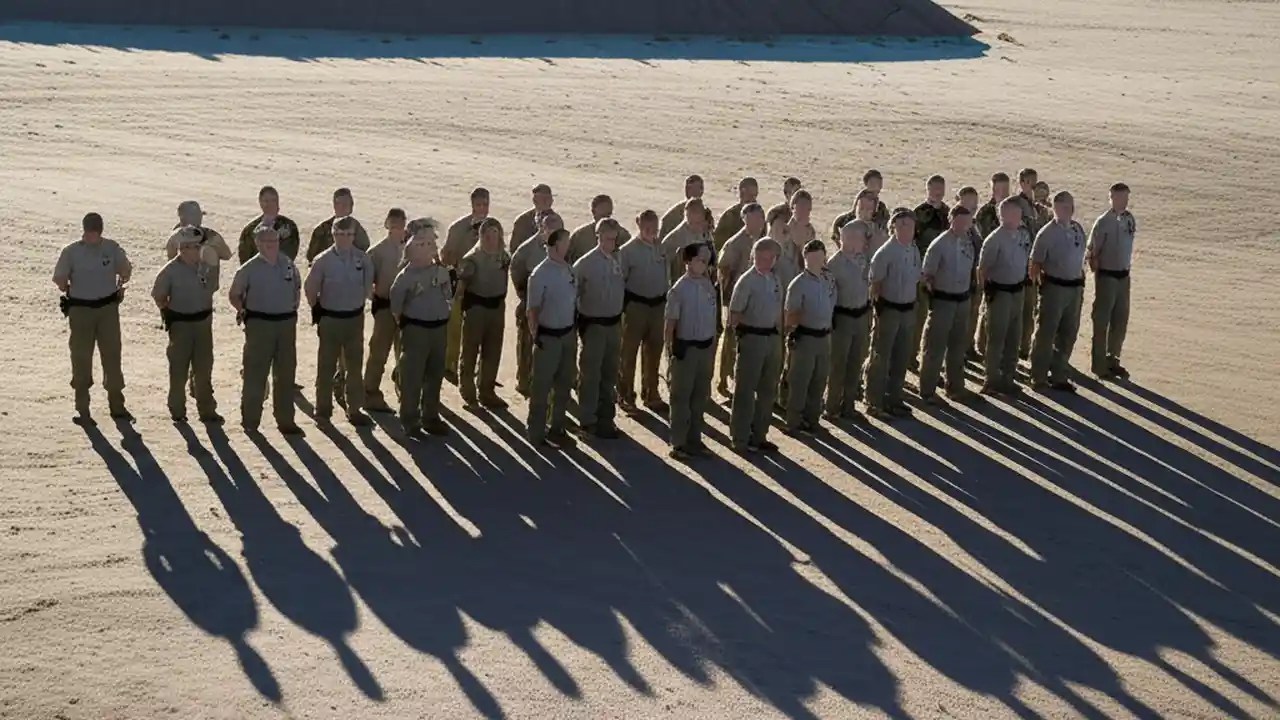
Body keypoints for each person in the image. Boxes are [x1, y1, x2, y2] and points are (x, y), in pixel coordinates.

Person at [53, 212, 132, 424]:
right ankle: (82, 407)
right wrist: (68, 289)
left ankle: (117, 405)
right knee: (80, 357)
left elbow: (125, 271)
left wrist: (120, 286)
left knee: (112, 356)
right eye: (90, 232)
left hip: (106, 309)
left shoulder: (111, 249)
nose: (92, 236)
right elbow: (59, 278)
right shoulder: (71, 252)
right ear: (85, 230)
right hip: (81, 310)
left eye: (95, 232)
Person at [229, 224, 303, 435]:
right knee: (255, 374)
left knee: (286, 374)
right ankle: (250, 421)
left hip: (286, 324)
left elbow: (297, 286)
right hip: (260, 325)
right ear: (258, 244)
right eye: (267, 242)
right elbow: (234, 294)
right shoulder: (248, 269)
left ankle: (286, 420)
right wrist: (242, 310)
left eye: (275, 241)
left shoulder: (287, 264)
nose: (272, 246)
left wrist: (293, 305)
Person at [304, 216, 375, 425]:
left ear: (354, 235)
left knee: (354, 366)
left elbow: (369, 289)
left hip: (354, 318)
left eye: (349, 234)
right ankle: (323, 409)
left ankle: (354, 409)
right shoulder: (322, 261)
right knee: (326, 366)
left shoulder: (363, 259)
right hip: (330, 319)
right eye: (340, 234)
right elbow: (310, 289)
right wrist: (316, 308)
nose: (345, 238)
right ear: (333, 235)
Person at [152, 226, 221, 423]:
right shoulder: (170, 271)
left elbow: (213, 287)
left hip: (203, 325)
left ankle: (207, 410)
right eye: (189, 246)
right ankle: (177, 410)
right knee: (178, 370)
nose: (193, 250)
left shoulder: (207, 266)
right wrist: (170, 313)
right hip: (181, 326)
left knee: (204, 369)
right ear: (181, 248)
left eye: (196, 246)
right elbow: (159, 296)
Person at [390, 220, 452, 437]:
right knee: (412, 377)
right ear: (411, 248)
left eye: (430, 244)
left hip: (439, 329)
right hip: (416, 329)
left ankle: (431, 416)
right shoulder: (405, 277)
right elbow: (396, 306)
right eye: (422, 244)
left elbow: (448, 295)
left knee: (435, 375)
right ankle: (409, 419)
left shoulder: (440, 271)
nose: (428, 248)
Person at [165, 200, 231, 398]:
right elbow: (170, 259)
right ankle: (181, 389)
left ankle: (200, 384)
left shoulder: (209, 234)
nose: (198, 218)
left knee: (204, 349)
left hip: (204, 295)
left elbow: (227, 254)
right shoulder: (177, 237)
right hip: (181, 298)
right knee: (181, 349)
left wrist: (211, 247)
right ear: (182, 217)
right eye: (193, 215)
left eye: (199, 215)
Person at [727, 238, 784, 453]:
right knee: (745, 389)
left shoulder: (775, 279)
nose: (765, 262)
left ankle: (759, 434)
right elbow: (734, 314)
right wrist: (743, 337)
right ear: (754, 256)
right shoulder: (746, 281)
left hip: (771, 338)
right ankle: (740, 437)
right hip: (752, 337)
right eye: (761, 257)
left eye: (770, 258)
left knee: (768, 390)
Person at [919, 206, 979, 404]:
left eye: (966, 221)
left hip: (962, 300)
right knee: (934, 348)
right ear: (951, 220)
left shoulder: (969, 241)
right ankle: (927, 391)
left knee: (957, 347)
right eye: (959, 221)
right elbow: (927, 275)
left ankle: (955, 387)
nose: (963, 225)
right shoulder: (940, 244)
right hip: (943, 301)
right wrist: (933, 301)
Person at [864, 210, 921, 420]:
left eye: (910, 225)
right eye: (902, 224)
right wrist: (879, 311)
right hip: (888, 310)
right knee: (881, 356)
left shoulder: (913, 250)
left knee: (901, 356)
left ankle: (894, 398)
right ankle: (874, 400)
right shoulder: (885, 253)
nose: (907, 228)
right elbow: (875, 284)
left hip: (907, 309)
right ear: (893, 227)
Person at [665, 243, 719, 461]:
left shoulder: (708, 286)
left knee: (699, 397)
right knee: (681, 398)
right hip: (685, 350)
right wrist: (670, 355)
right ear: (688, 261)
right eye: (699, 259)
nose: (704, 264)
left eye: (706, 260)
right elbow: (670, 326)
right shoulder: (679, 290)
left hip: (704, 348)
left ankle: (695, 438)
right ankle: (678, 443)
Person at [1029, 191, 1087, 392]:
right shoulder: (1046, 233)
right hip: (1054, 287)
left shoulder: (1077, 228)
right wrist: (1040, 289)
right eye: (1063, 207)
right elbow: (1035, 264)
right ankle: (1038, 376)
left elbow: (1082, 257)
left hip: (1074, 288)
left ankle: (1059, 374)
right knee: (1046, 332)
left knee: (1068, 333)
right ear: (1055, 209)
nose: (1068, 210)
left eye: (1070, 206)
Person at [573, 218, 626, 438]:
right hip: (593, 324)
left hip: (614, 323)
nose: (610, 243)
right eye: (606, 239)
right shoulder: (584, 264)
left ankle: (607, 418)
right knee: (590, 374)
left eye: (614, 239)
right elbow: (574, 294)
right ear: (598, 237)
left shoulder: (620, 259)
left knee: (609, 373)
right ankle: (587, 419)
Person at [525, 228, 578, 448]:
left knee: (563, 385)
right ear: (556, 245)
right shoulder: (540, 274)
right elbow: (532, 309)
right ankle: (536, 432)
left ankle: (557, 427)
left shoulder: (567, 268)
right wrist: (536, 335)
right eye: (566, 242)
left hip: (567, 334)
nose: (569, 245)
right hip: (548, 336)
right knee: (541, 387)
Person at [978, 198, 1031, 396]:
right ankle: (992, 380)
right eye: (1015, 214)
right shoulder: (994, 240)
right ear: (1004, 215)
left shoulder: (1022, 235)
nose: (1019, 217)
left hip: (1017, 291)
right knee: (996, 338)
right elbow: (982, 270)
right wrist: (987, 293)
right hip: (999, 293)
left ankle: (1009, 378)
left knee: (1013, 337)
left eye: (1019, 214)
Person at [618, 210, 669, 415]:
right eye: (647, 228)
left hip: (658, 306)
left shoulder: (662, 247)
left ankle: (651, 393)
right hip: (635, 306)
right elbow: (620, 280)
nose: (651, 232)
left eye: (654, 228)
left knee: (654, 351)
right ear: (638, 225)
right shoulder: (627, 251)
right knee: (628, 353)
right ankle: (626, 396)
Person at [457, 217, 510, 409]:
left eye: (495, 234)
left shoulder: (503, 257)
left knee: (493, 351)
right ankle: (468, 389)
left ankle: (487, 390)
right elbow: (461, 288)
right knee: (470, 351)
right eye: (487, 235)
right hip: (476, 308)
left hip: (496, 307)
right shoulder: (471, 259)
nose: (490, 238)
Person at [783, 240, 835, 435]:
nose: (815, 261)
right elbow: (791, 314)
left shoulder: (829, 279)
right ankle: (794, 422)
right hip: (805, 337)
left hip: (824, 336)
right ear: (804, 259)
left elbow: (832, 301)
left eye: (819, 256)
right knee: (800, 381)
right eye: (811, 257)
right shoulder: (798, 284)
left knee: (819, 380)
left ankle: (812, 419)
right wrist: (793, 334)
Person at [715, 202, 765, 399]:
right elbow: (724, 271)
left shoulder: (763, 240)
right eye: (754, 219)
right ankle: (723, 380)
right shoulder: (735, 243)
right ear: (745, 220)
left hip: (758, 300)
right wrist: (728, 301)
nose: (758, 223)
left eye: (760, 218)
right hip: (738, 299)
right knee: (731, 341)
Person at [1087, 182, 1137, 380]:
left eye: (1126, 197)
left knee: (1120, 320)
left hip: (1123, 276)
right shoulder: (1103, 221)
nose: (1123, 201)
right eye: (1119, 197)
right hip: (1106, 276)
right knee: (1102, 320)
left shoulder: (1129, 219)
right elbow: (1093, 252)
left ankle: (1113, 359)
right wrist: (1097, 275)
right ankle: (1099, 364)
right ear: (1111, 198)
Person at [510, 210, 562, 397]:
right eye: (551, 228)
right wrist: (526, 295)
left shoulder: (564, 247)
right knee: (527, 345)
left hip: (557, 306)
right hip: (533, 304)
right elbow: (516, 271)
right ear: (542, 229)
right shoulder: (527, 250)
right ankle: (524, 382)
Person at [362, 208, 409, 412]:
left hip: (409, 309)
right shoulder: (377, 251)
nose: (397, 227)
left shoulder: (412, 247)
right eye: (394, 223)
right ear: (387, 224)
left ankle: (406, 391)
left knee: (407, 354)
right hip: (385, 307)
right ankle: (370, 393)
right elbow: (366, 281)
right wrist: (373, 295)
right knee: (379, 352)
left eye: (401, 223)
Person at [825, 222, 873, 419]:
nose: (864, 243)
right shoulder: (833, 265)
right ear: (847, 239)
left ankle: (849, 405)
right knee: (838, 364)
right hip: (842, 318)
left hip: (860, 316)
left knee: (855, 362)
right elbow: (827, 295)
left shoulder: (863, 260)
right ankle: (832, 406)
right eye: (861, 238)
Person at [443, 187, 490, 383]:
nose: (482, 208)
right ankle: (450, 364)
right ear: (472, 205)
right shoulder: (458, 228)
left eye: (485, 204)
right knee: (455, 327)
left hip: (483, 284)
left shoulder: (492, 227)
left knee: (478, 329)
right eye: (478, 204)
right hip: (460, 282)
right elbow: (446, 256)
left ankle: (473, 367)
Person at [909, 175, 950, 371]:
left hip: (943, 272)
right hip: (923, 271)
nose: (938, 191)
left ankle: (932, 358)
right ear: (928, 189)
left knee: (938, 318)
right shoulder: (919, 213)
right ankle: (911, 355)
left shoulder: (947, 213)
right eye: (934, 188)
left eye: (941, 188)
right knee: (920, 317)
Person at [973, 172, 1011, 355]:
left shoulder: (1013, 209)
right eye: (999, 189)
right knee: (987, 308)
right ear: (993, 189)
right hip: (990, 266)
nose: (1003, 192)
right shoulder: (985, 213)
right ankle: (982, 346)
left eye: (1006, 189)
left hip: (1009, 268)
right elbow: (984, 239)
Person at [1012, 168, 1044, 359]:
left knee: (1031, 308)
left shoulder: (1038, 206)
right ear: (1022, 183)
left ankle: (1025, 346)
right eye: (1031, 182)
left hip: (1033, 264)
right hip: (1020, 263)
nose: (1034, 185)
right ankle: (1017, 347)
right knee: (1019, 309)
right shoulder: (1017, 205)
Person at [954, 186, 985, 360]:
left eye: (974, 206)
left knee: (973, 315)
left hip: (974, 279)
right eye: (967, 205)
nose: (972, 209)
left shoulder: (975, 225)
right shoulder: (954, 227)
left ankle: (968, 347)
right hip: (959, 282)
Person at [237, 186, 301, 263]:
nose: (270, 204)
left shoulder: (289, 226)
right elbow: (244, 258)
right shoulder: (250, 230)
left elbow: (289, 254)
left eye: (273, 201)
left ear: (278, 203)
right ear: (260, 203)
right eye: (266, 201)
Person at [305, 188, 370, 262]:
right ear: (334, 205)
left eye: (347, 204)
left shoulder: (357, 228)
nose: (344, 207)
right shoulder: (322, 230)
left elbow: (364, 248)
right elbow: (311, 256)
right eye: (340, 203)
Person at [660, 198, 716, 285]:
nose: (698, 226)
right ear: (687, 217)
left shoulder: (704, 230)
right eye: (694, 223)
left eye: (700, 222)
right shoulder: (677, 238)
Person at [568, 194, 630, 264]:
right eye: (603, 216)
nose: (606, 220)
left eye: (609, 215)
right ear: (593, 212)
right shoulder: (580, 236)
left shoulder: (622, 234)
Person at [713, 177, 759, 251]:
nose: (753, 199)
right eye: (750, 195)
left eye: (755, 195)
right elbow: (719, 243)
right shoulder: (730, 216)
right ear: (742, 193)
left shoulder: (758, 215)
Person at [661, 174, 710, 239]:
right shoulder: (675, 213)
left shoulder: (705, 213)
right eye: (688, 188)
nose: (688, 191)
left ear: (702, 191)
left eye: (692, 188)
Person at [510, 183, 553, 253]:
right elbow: (514, 249)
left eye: (549, 198)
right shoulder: (522, 221)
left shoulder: (556, 220)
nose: (547, 201)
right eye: (543, 199)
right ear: (535, 200)